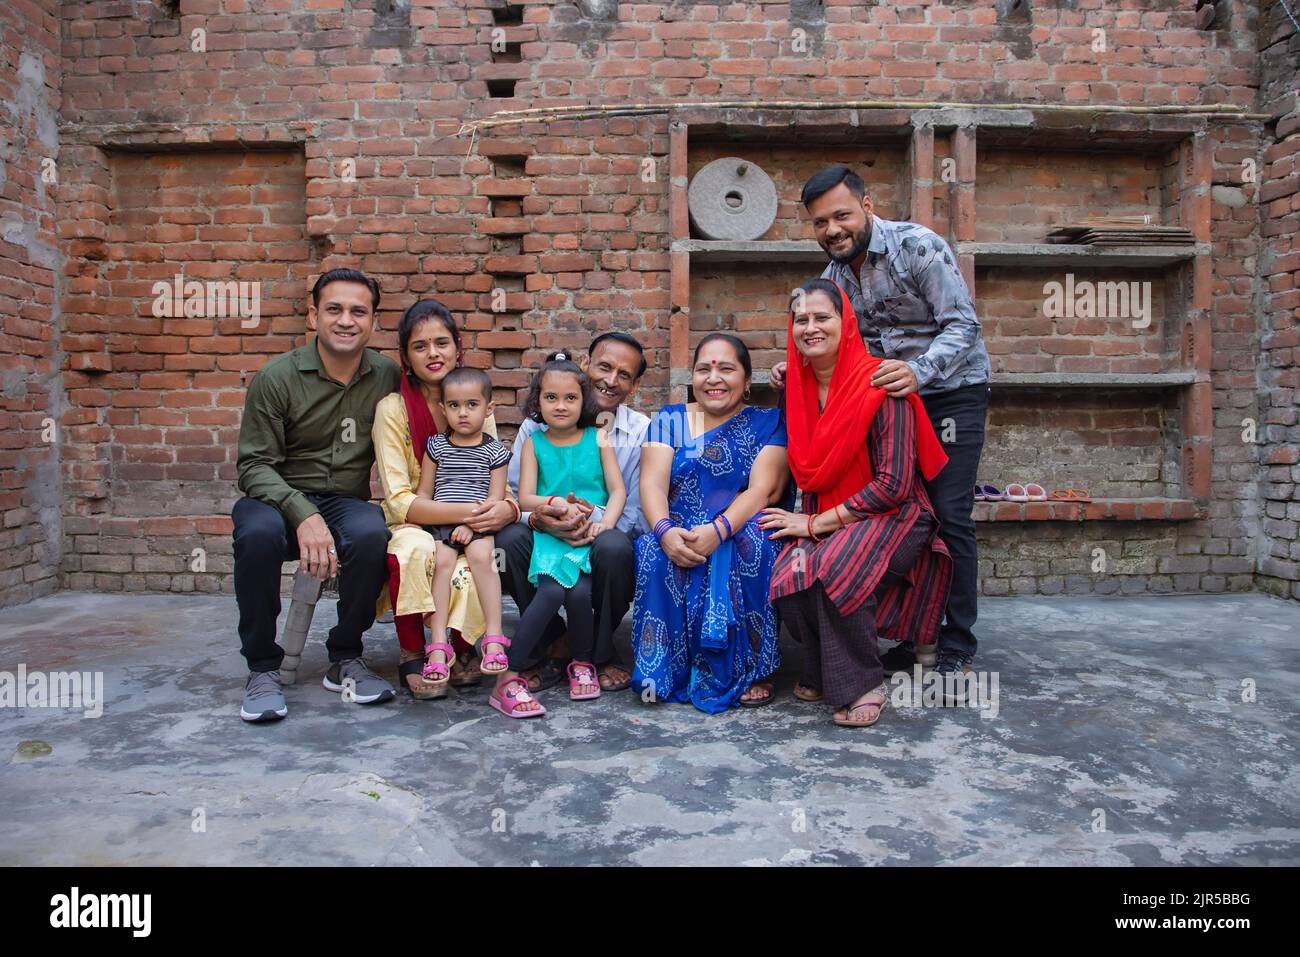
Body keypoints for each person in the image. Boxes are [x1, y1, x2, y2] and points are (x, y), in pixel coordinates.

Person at [770, 164, 989, 687]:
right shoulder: (832, 279)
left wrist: (919, 371)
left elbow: (964, 324)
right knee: (902, 514)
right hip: (885, 405)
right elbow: (839, 346)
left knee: (948, 513)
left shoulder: (918, 246)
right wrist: (798, 364)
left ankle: (957, 641)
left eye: (841, 215)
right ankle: (915, 637)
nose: (832, 230)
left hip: (948, 393)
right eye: (820, 223)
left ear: (867, 207)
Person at [760, 280, 952, 727]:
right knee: (788, 572)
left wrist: (814, 524)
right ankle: (824, 669)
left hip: (893, 513)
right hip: (825, 508)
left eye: (821, 317)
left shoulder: (881, 384)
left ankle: (864, 682)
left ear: (845, 324)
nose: (810, 327)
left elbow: (894, 485)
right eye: (800, 319)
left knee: (835, 565)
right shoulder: (797, 389)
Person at [233, 268, 401, 722]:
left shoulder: (387, 376)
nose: (346, 320)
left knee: (371, 535)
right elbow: (253, 465)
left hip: (345, 500)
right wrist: (303, 514)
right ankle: (262, 668)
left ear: (372, 322)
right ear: (313, 316)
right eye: (334, 309)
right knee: (257, 536)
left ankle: (345, 656)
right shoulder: (277, 378)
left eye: (358, 311)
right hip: (276, 498)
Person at [632, 333, 792, 714]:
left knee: (757, 541)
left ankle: (752, 668)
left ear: (748, 380)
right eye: (704, 369)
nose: (713, 378)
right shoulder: (670, 418)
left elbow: (762, 491)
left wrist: (719, 531)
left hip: (740, 525)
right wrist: (665, 532)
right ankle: (668, 668)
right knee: (651, 550)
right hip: (679, 528)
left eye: (726, 369)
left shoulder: (769, 421)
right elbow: (652, 484)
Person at [372, 300, 516, 699]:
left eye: (441, 343)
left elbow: (493, 476)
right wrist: (470, 516)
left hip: (472, 516)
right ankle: (414, 652)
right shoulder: (392, 410)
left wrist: (506, 508)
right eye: (420, 346)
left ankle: (467, 646)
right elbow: (401, 500)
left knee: (479, 558)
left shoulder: (474, 398)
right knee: (416, 549)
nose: (433, 354)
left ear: (457, 347)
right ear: (405, 356)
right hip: (418, 519)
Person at [499, 332, 650, 694]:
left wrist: (591, 522)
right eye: (604, 367)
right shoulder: (535, 430)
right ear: (585, 366)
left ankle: (598, 652)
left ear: (634, 384)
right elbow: (519, 496)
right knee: (508, 539)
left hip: (602, 533)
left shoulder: (637, 431)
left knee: (615, 549)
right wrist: (544, 516)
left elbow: (631, 506)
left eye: (624, 374)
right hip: (543, 528)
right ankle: (548, 642)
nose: (611, 380)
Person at [413, 367, 512, 693]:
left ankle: (493, 639)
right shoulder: (436, 447)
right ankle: (439, 644)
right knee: (440, 565)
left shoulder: (495, 451)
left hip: (480, 523)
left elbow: (495, 498)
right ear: (443, 409)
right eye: (454, 405)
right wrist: (425, 522)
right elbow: (425, 494)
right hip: (442, 522)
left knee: (484, 559)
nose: (463, 413)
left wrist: (471, 526)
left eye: (472, 405)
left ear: (489, 408)